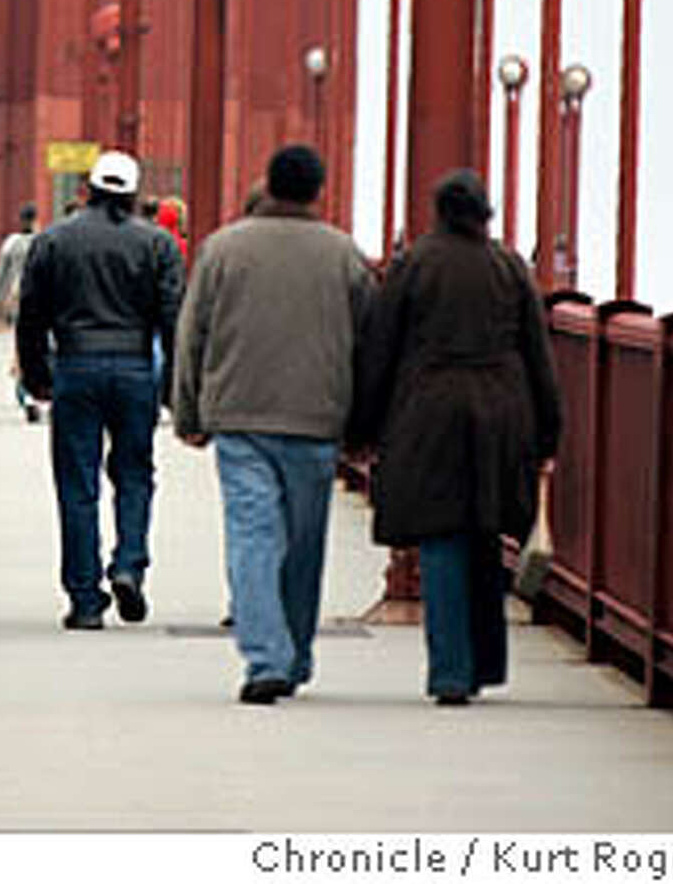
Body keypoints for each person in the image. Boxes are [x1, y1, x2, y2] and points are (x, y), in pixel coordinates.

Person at [173, 143, 375, 704]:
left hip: (239, 415)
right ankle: (296, 655)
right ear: (318, 191)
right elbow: (369, 346)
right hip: (316, 419)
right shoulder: (344, 255)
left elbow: (192, 336)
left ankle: (264, 658)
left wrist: (188, 413)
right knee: (303, 546)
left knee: (252, 536)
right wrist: (363, 426)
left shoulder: (222, 249)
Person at [354, 167, 562, 705]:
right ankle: (486, 665)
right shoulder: (510, 267)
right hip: (502, 412)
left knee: (442, 539)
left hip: (429, 412)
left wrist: (364, 425)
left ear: (439, 211)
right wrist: (548, 434)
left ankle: (449, 670)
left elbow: (380, 349)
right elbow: (539, 358)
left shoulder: (413, 265)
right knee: (485, 537)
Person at [16, 149, 184, 629]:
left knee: (77, 484)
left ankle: (86, 599)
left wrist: (36, 377)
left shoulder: (53, 241)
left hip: (75, 365)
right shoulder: (159, 244)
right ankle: (129, 565)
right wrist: (173, 386)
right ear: (133, 195)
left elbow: (31, 316)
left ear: (86, 189)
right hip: (134, 369)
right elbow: (173, 320)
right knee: (134, 474)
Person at [0, 202, 42, 422]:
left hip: (17, 300)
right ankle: (33, 391)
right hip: (41, 302)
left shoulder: (12, 244)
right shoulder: (43, 242)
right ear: (36, 220)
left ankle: (24, 392)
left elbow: (1, 275)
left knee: (21, 347)